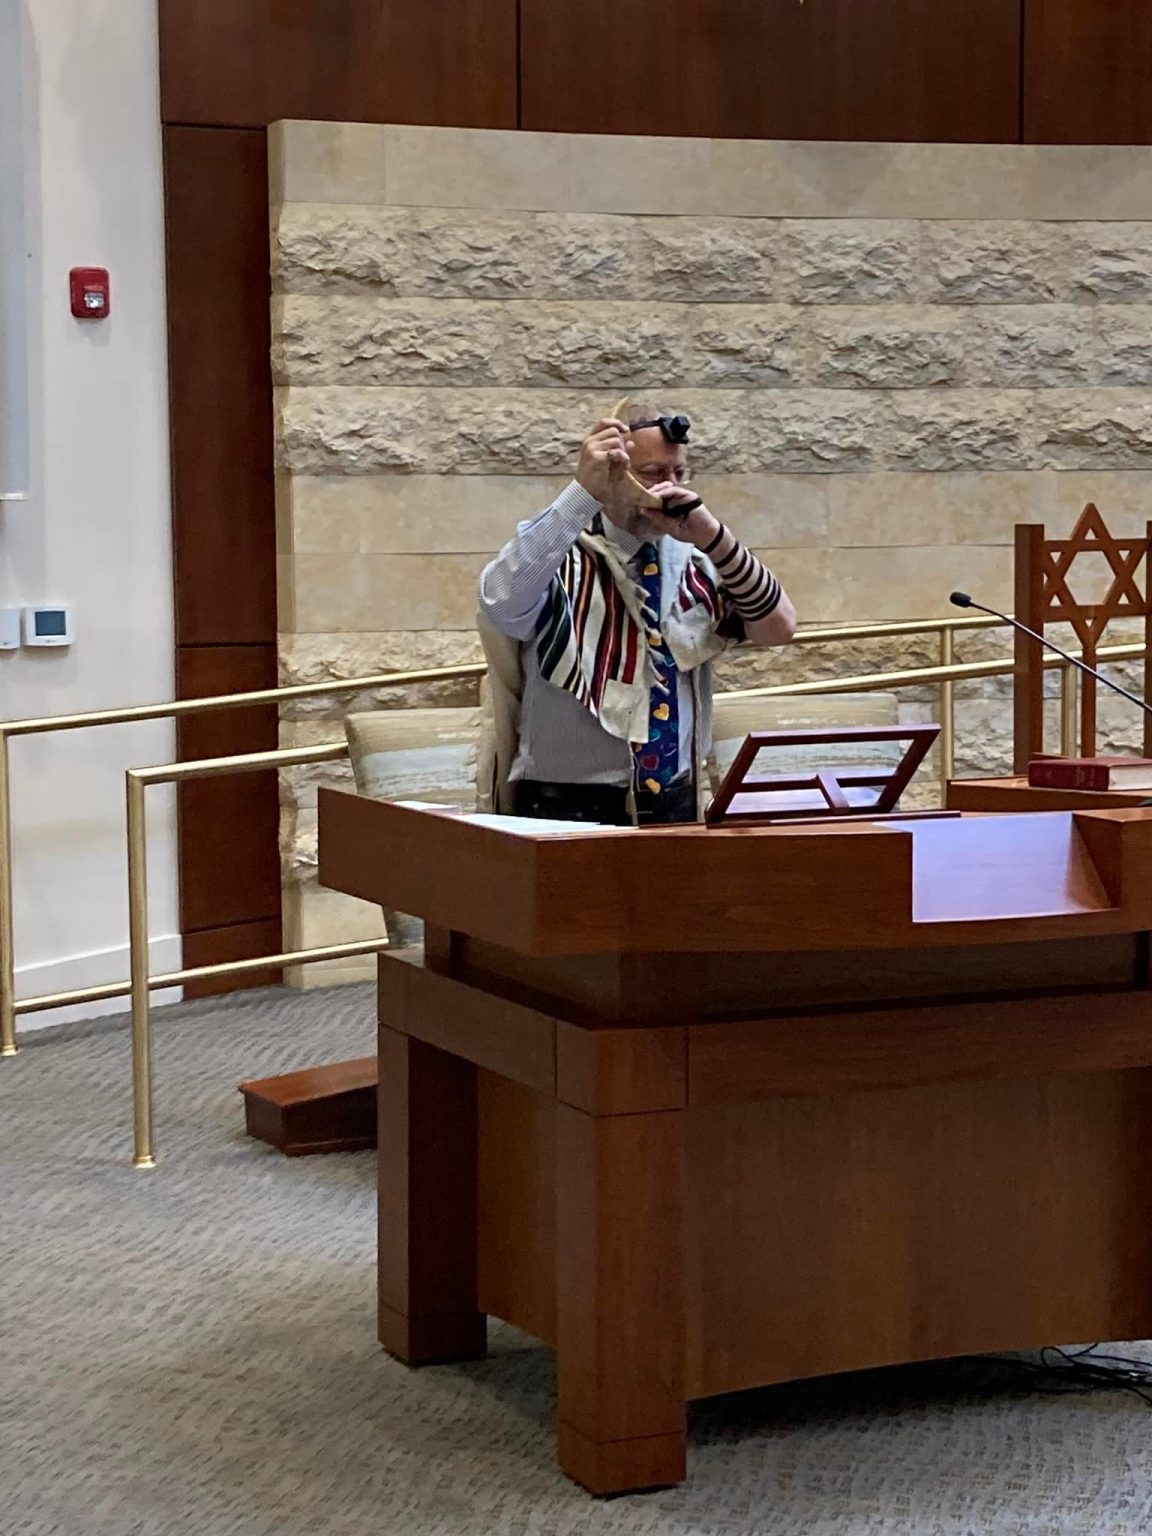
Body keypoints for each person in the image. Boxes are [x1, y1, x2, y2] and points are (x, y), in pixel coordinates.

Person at [477, 403, 797, 826]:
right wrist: (581, 493)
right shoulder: (558, 556)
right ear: (614, 473)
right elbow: (501, 603)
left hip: (674, 802)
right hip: (566, 805)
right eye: (652, 474)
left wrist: (714, 537)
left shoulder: (698, 562)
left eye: (678, 473)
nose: (669, 489)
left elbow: (778, 628)